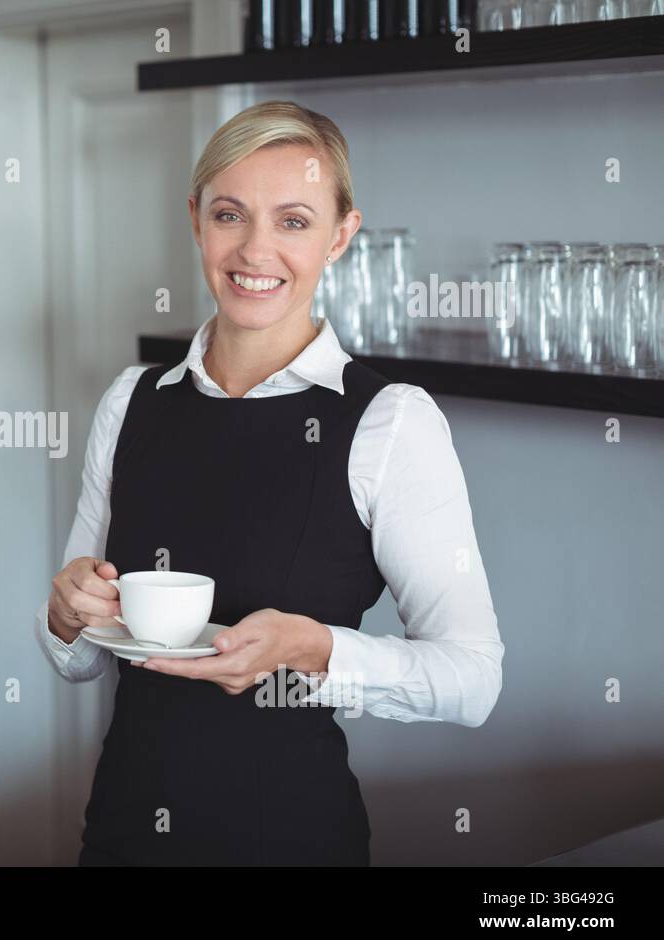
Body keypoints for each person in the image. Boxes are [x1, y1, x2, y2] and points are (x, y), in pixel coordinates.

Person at [33, 100, 504, 867]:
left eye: (293, 220)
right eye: (230, 214)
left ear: (341, 236)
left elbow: (474, 679)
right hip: (123, 831)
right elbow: (84, 655)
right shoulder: (131, 401)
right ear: (196, 221)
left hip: (290, 837)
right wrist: (65, 611)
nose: (255, 249)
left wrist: (318, 650)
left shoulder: (390, 423)